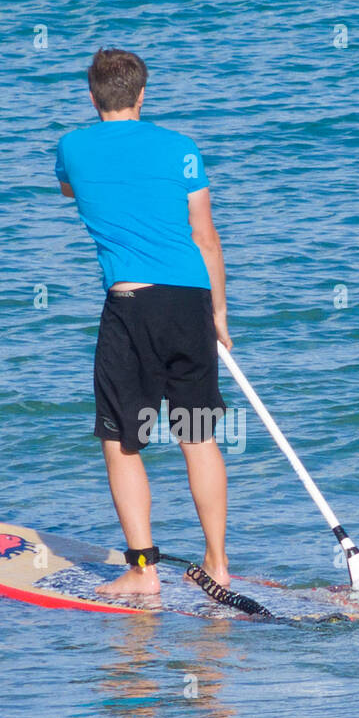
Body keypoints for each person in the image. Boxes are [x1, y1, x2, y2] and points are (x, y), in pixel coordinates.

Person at [55, 47, 232, 597]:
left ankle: (142, 571)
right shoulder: (181, 149)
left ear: (91, 96)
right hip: (191, 304)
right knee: (198, 435)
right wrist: (219, 314)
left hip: (131, 306)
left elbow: (69, 188)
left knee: (121, 440)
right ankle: (219, 564)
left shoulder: (73, 147)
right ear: (142, 94)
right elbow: (205, 236)